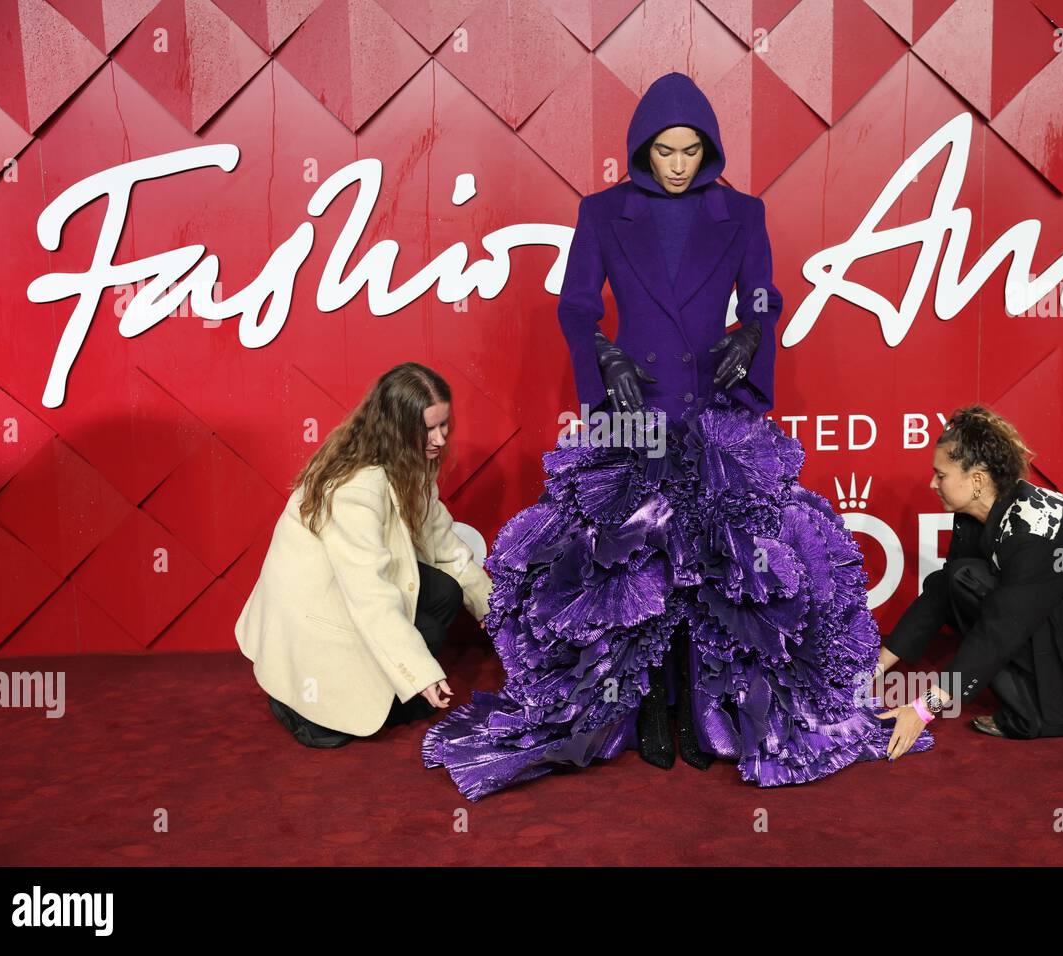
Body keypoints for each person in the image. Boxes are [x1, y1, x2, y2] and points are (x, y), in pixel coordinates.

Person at [422, 72, 932, 801]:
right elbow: (573, 307)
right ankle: (653, 717)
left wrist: (752, 330)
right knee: (638, 571)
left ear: (709, 148)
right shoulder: (601, 212)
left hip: (713, 414)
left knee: (711, 576)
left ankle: (698, 718)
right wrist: (601, 356)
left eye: (692, 150)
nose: (678, 164)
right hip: (634, 411)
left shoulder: (742, 212)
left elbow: (763, 291)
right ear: (642, 147)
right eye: (666, 149)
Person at [876, 405, 1063, 755]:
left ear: (976, 480)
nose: (932, 483)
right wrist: (876, 666)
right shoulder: (975, 512)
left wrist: (921, 710)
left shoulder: (1031, 532)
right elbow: (941, 593)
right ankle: (1035, 695)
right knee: (960, 579)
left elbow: (999, 632)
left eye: (940, 475)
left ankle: (1038, 714)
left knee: (985, 600)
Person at [234, 364, 493, 748]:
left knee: (446, 591)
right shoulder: (356, 487)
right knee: (425, 640)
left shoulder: (409, 463)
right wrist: (420, 673)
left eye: (445, 425)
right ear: (399, 429)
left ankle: (383, 690)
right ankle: (300, 703)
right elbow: (369, 594)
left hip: (347, 590)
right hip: (314, 614)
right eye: (430, 428)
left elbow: (446, 547)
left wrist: (499, 615)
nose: (440, 438)